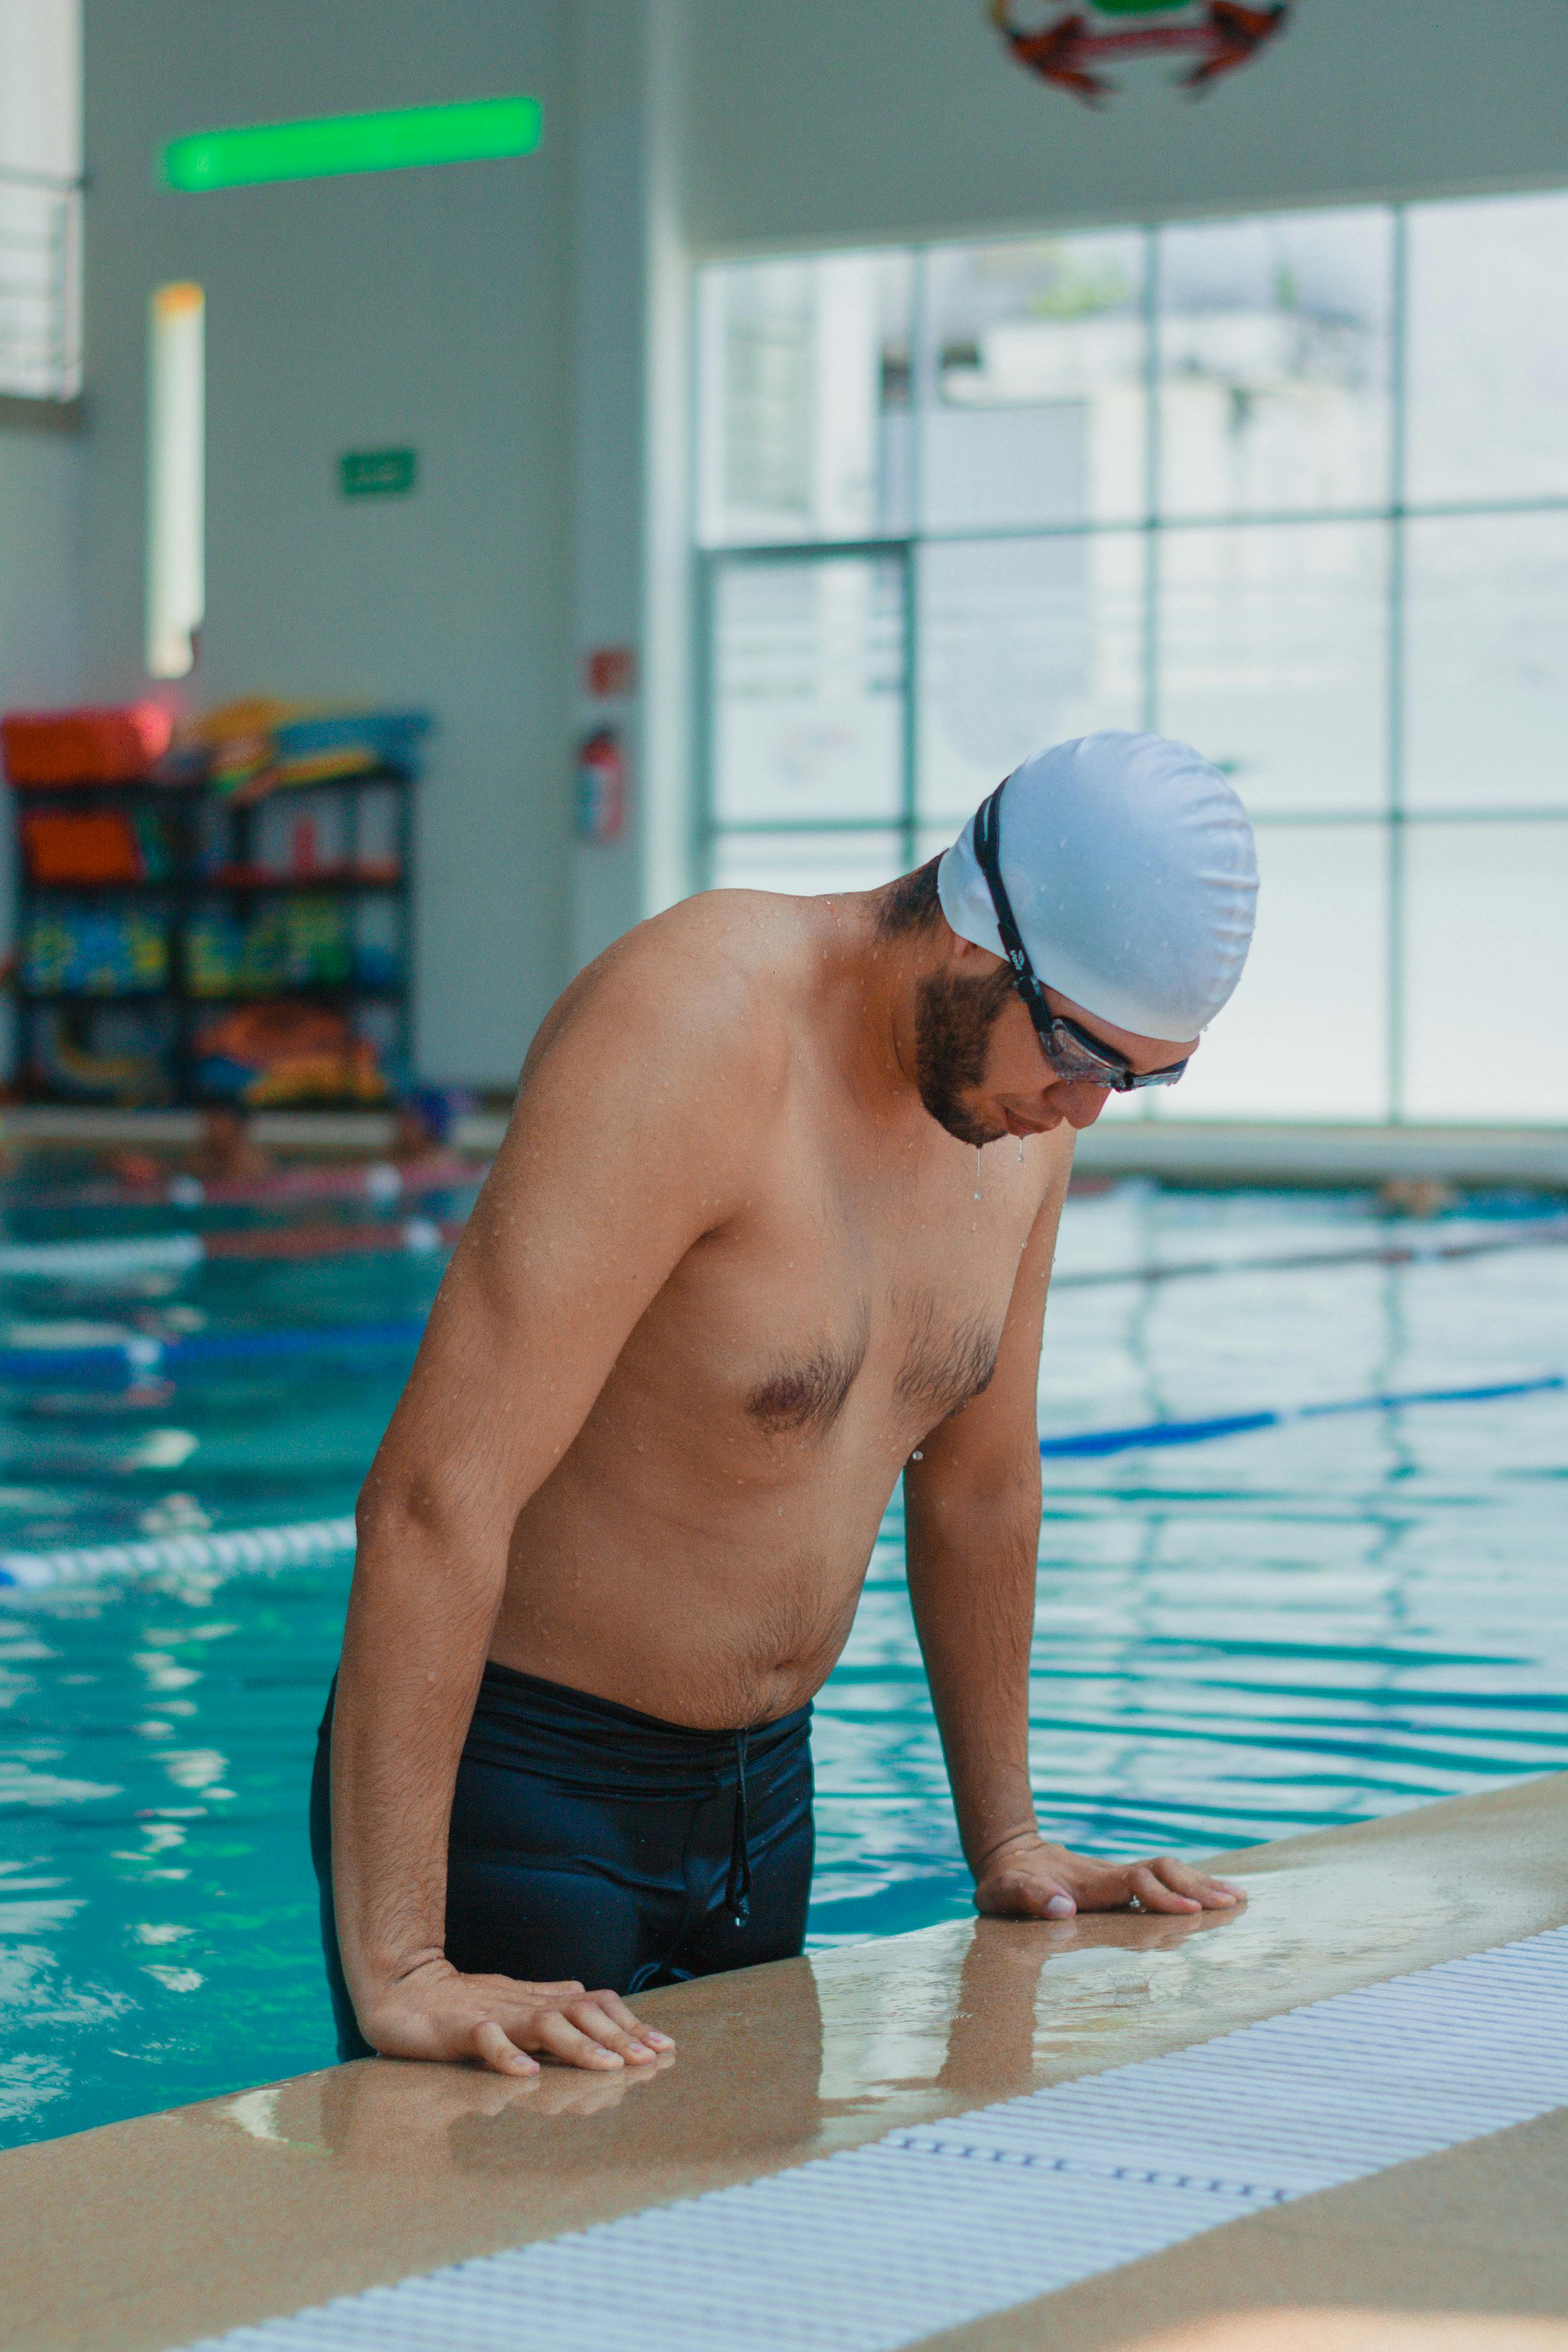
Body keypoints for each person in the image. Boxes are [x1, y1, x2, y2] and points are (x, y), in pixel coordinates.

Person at [313, 730, 1260, 2078]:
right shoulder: (695, 1027)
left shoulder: (1022, 1114)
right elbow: (431, 1497)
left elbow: (980, 1479)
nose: (1085, 1111)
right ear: (972, 933)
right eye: (1077, 1053)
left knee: (744, 2272)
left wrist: (1008, 1845)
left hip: (767, 1806)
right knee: (496, 2278)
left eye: (1138, 1078)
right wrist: (406, 1966)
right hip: (524, 1793)